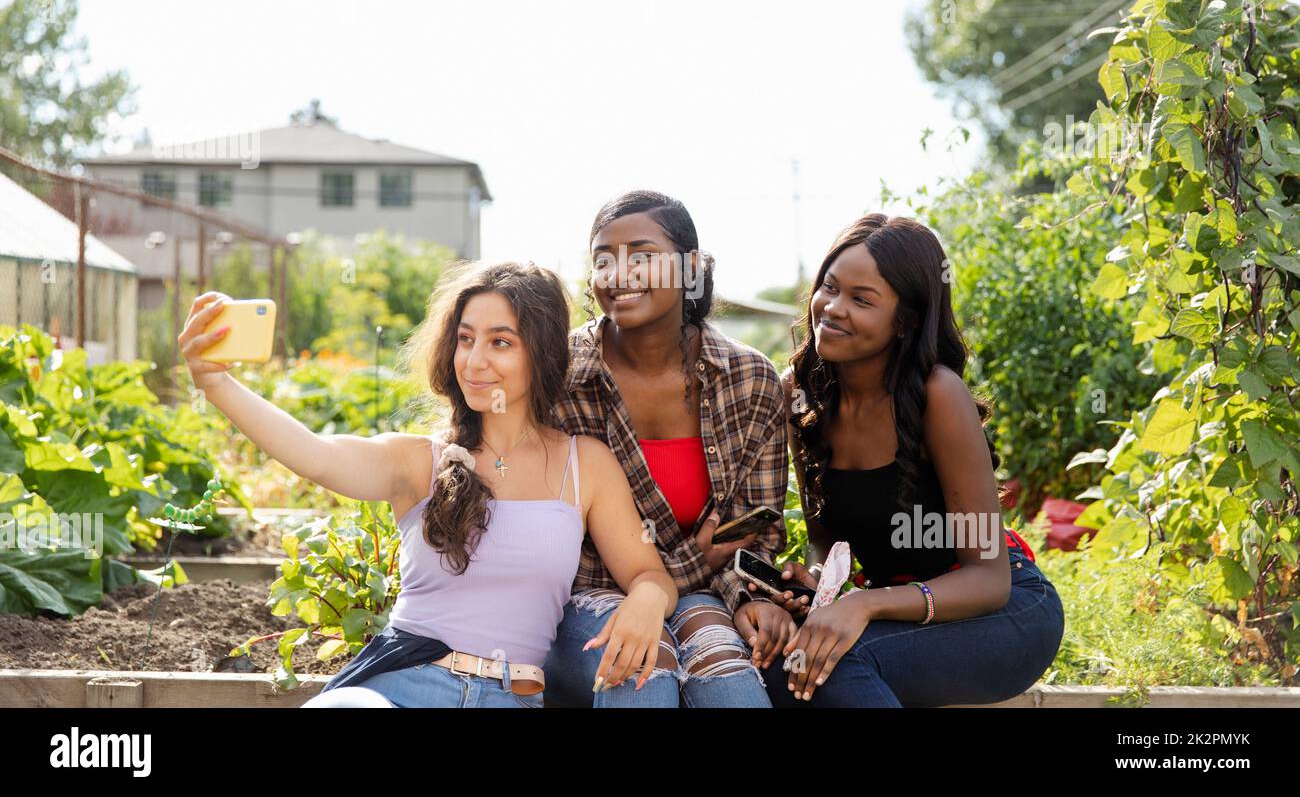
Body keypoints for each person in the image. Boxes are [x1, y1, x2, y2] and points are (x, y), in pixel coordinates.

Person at [177, 261, 676, 708]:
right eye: (465, 338)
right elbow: (315, 455)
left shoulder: (583, 464)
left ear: (540, 355)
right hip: (400, 687)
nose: (475, 360)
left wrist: (648, 599)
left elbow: (647, 573)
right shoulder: (419, 459)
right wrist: (215, 383)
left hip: (513, 695)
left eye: (500, 342)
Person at [757, 213, 1064, 706]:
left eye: (862, 299)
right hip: (895, 613)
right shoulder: (801, 396)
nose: (832, 309)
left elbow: (988, 578)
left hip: (1002, 613)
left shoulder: (937, 395)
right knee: (780, 665)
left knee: (834, 664)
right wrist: (817, 582)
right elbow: (827, 545)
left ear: (907, 321)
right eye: (829, 288)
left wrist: (868, 603)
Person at [543, 191, 791, 707]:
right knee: (641, 672)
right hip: (584, 600)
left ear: (691, 267)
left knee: (731, 685)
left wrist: (747, 597)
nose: (620, 272)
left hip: (706, 594)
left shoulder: (748, 380)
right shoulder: (557, 376)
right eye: (603, 259)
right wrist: (687, 565)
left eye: (642, 254)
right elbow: (551, 541)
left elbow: (754, 527)